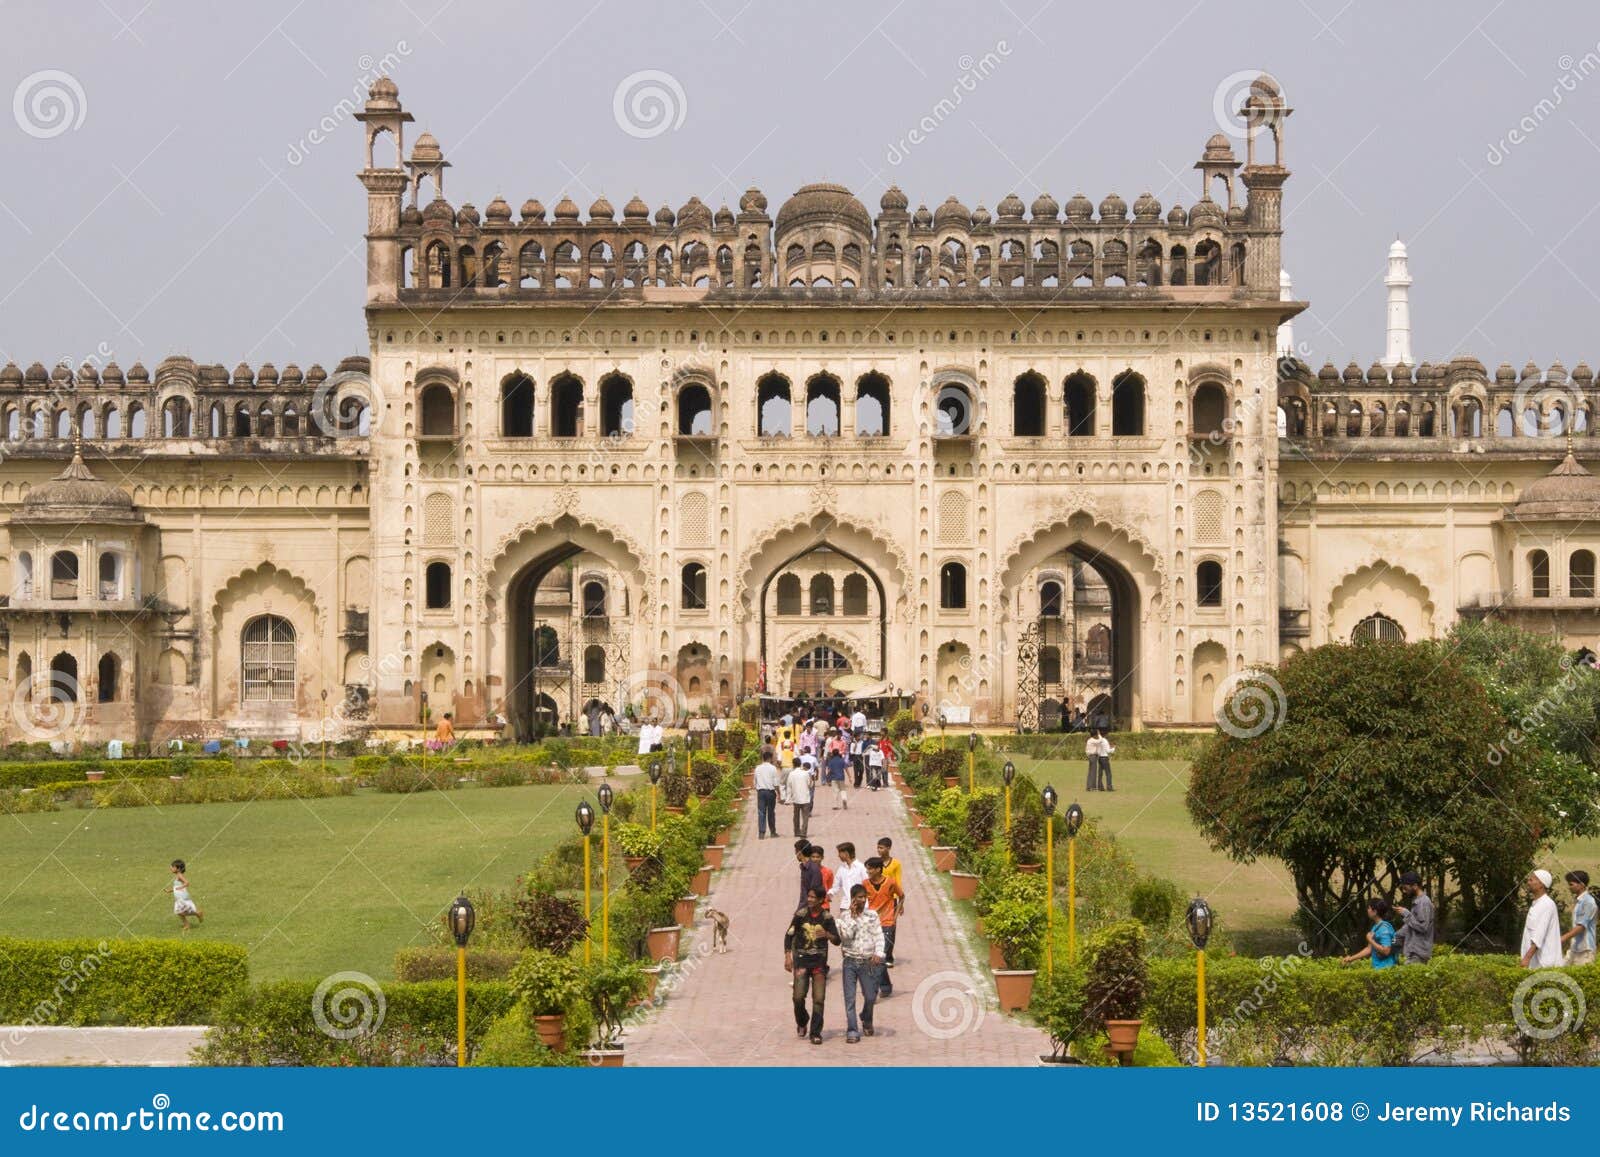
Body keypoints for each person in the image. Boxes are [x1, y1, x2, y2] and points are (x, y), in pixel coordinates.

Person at [784, 887, 840, 1044]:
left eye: (813, 897)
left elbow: (837, 940)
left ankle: (815, 1033)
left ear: (821, 900)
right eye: (808, 896)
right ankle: (802, 1021)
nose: (809, 899)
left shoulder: (827, 918)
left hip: (819, 964)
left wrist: (827, 935)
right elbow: (789, 935)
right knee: (798, 997)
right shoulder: (800, 915)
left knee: (819, 999)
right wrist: (788, 956)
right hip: (801, 962)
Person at [836, 884, 886, 1043]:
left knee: (870, 996)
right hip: (850, 962)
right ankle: (852, 1030)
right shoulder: (843, 917)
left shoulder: (872, 915)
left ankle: (866, 1017)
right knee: (850, 998)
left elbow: (879, 935)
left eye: (864, 897)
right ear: (853, 899)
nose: (863, 900)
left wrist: (879, 953)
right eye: (859, 897)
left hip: (867, 962)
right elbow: (846, 937)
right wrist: (852, 917)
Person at [862, 856, 904, 993]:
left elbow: (901, 896)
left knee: (880, 956)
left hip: (887, 923)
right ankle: (886, 986)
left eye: (870, 869)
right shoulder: (865, 884)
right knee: (875, 957)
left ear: (878, 869)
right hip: (871, 924)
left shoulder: (891, 882)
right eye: (867, 869)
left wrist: (894, 916)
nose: (868, 871)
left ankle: (872, 989)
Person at [1522, 869, 1563, 969]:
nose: (1528, 883)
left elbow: (1539, 935)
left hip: (1544, 962)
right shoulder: (1536, 903)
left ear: (1541, 884)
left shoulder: (1547, 904)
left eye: (1531, 880)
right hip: (1534, 962)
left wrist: (1527, 958)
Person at [1392, 871, 1434, 963]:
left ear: (1415, 886)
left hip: (1419, 953)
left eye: (1405, 888)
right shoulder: (1417, 901)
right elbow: (1411, 926)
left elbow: (1423, 927)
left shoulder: (1423, 902)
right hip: (1413, 951)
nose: (1404, 891)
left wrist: (1406, 914)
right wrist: (1394, 938)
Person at [1340, 898, 1396, 969]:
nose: (1367, 910)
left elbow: (1386, 951)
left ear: (1375, 912)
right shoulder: (1376, 927)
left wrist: (1371, 940)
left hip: (1386, 969)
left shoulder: (1384, 929)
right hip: (1378, 968)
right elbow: (1369, 949)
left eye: (1369, 908)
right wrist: (1351, 959)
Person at [876, 838, 903, 966]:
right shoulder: (876, 863)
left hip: (891, 900)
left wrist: (900, 903)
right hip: (878, 900)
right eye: (878, 847)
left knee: (890, 928)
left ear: (888, 848)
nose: (879, 850)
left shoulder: (896, 864)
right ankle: (878, 953)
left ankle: (888, 956)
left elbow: (898, 882)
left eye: (881, 848)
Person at [1561, 870, 1596, 966]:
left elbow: (1581, 926)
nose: (1569, 887)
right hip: (1574, 947)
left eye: (1571, 884)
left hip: (1585, 950)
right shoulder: (1579, 901)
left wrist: (1563, 938)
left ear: (1581, 885)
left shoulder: (1588, 902)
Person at [753, 747, 782, 839]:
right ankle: (772, 832)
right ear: (770, 758)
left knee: (761, 812)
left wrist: (758, 790)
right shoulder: (773, 768)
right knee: (771, 812)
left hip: (761, 792)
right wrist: (779, 793)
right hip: (770, 792)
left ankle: (761, 833)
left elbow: (755, 782)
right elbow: (776, 783)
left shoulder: (757, 768)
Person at [831, 842, 868, 913]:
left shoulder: (861, 867)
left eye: (840, 853)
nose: (838, 856)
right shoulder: (841, 869)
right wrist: (830, 894)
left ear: (846, 853)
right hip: (845, 906)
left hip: (860, 905)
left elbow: (867, 885)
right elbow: (836, 886)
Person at [168, 859, 204, 931]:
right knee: (179, 912)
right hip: (179, 898)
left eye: (173, 867)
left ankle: (197, 914)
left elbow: (187, 883)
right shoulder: (177, 876)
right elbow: (176, 887)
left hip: (182, 897)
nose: (171, 868)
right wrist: (171, 890)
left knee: (181, 911)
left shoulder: (179, 875)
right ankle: (188, 923)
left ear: (178, 869)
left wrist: (180, 887)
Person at [786, 758, 815, 837]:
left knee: (796, 816)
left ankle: (796, 831)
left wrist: (788, 799)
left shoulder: (791, 774)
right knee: (805, 816)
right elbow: (810, 785)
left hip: (796, 798)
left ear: (793, 764)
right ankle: (803, 832)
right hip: (805, 798)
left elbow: (789, 787)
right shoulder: (805, 773)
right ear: (800, 764)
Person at [795, 839, 824, 909]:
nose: (795, 854)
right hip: (803, 906)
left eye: (796, 851)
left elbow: (815, 893)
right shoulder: (804, 867)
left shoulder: (814, 869)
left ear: (799, 852)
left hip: (809, 909)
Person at [809, 844, 835, 910]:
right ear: (809, 857)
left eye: (818, 857)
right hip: (810, 905)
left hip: (824, 906)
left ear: (822, 857)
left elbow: (829, 887)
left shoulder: (828, 871)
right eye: (813, 857)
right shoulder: (807, 871)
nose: (815, 859)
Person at [825, 745, 849, 810]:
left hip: (834, 778)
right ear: (838, 753)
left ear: (832, 754)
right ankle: (844, 799)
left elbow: (829, 771)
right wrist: (849, 777)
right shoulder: (842, 760)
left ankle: (835, 805)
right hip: (841, 778)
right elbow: (846, 769)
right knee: (843, 790)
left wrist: (828, 779)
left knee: (835, 791)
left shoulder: (831, 761)